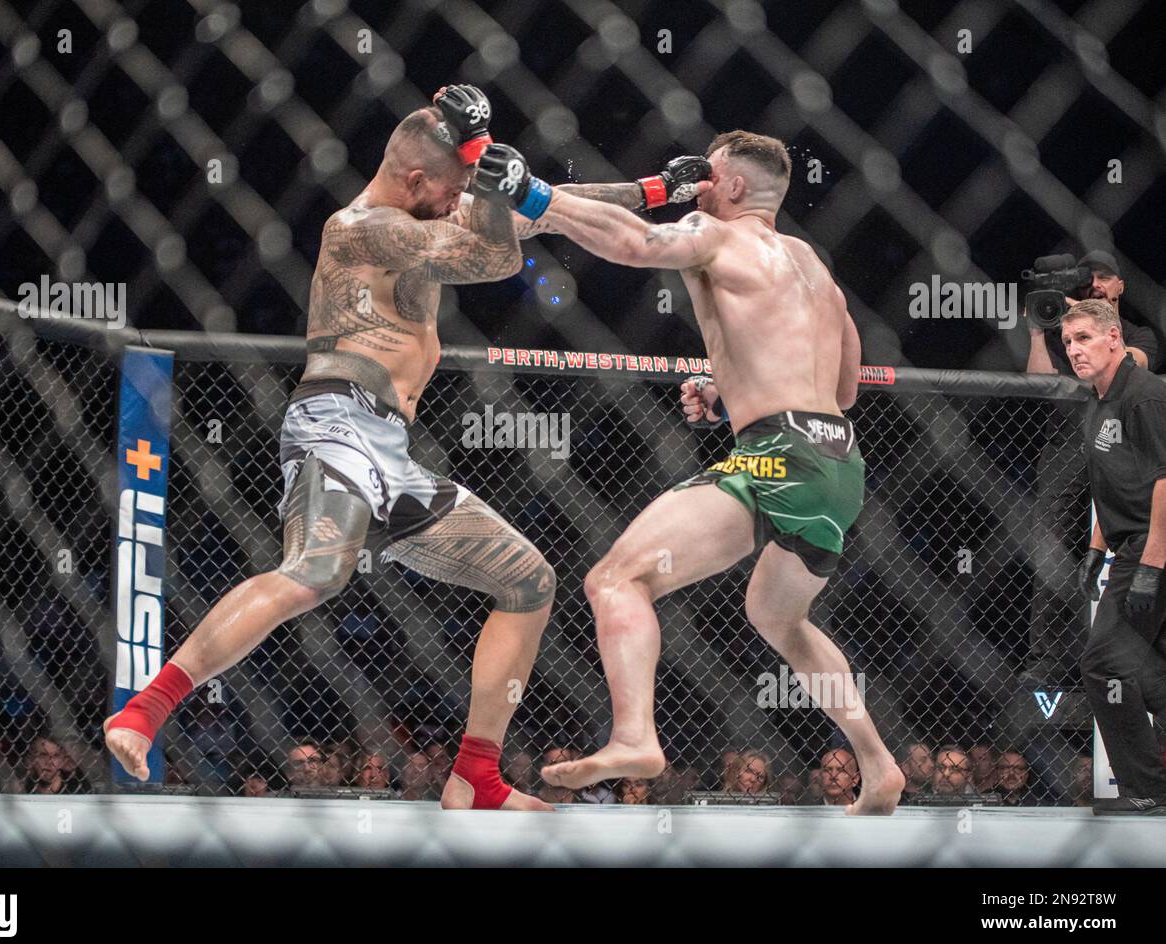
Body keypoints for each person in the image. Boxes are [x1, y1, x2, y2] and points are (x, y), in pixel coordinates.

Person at [104, 86, 559, 811]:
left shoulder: (425, 210)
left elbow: (547, 205)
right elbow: (497, 255)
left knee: (529, 581)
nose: (457, 201)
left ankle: (476, 775)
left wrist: (660, 192)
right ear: (415, 180)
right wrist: (504, 195)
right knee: (316, 570)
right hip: (336, 422)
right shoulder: (363, 229)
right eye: (452, 190)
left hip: (393, 448)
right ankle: (146, 708)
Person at [534, 130, 904, 813]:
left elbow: (635, 244)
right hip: (838, 460)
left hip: (775, 454)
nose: (698, 183)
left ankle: (634, 735)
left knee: (616, 577)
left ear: (732, 186)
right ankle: (879, 767)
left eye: (709, 174)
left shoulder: (715, 232)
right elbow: (845, 386)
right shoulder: (814, 266)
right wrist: (728, 382)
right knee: (777, 616)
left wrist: (539, 200)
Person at [1021, 251, 1160, 688]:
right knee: (1052, 548)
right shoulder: (1065, 333)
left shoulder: (1136, 334)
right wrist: (1039, 332)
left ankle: (1138, 647)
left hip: (1123, 446)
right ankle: (1048, 661)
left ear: (1121, 286)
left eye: (1105, 277)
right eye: (1089, 278)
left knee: (1135, 540)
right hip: (1066, 446)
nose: (1097, 284)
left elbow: (1128, 366)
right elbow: (1038, 384)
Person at [1062, 299, 1166, 814]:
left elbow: (1165, 480)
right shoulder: (1097, 402)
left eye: (1082, 338)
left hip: (1155, 544)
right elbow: (1111, 485)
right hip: (1127, 544)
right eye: (1067, 343)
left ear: (1112, 337)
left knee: (1105, 664)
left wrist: (1150, 565)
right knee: (1151, 671)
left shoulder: (1144, 396)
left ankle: (1145, 788)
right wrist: (1095, 550)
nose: (1074, 351)